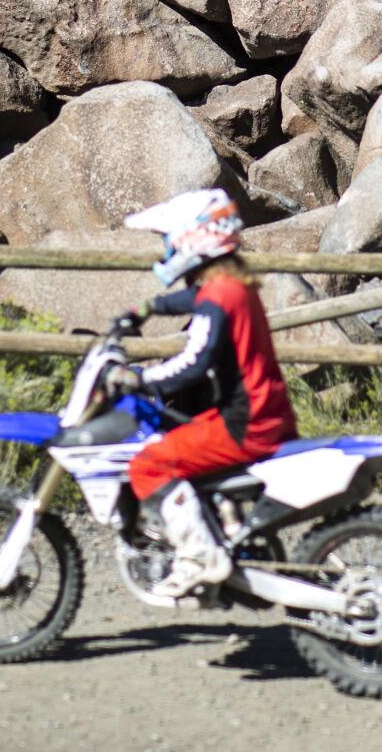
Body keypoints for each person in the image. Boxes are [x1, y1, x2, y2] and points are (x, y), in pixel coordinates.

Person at [106, 188, 297, 600]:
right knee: (178, 433)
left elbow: (194, 360)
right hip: (262, 412)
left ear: (192, 239)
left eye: (169, 238)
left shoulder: (219, 297)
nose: (166, 247)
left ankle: (197, 557)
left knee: (148, 464)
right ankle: (222, 522)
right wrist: (149, 308)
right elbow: (193, 298)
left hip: (247, 423)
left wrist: (142, 380)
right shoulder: (230, 285)